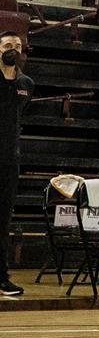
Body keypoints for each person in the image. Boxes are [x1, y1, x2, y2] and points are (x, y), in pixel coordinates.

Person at [0, 27, 33, 297]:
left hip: (10, 160)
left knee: (3, 221)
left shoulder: (26, 84)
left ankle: (2, 277)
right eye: (8, 44)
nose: (13, 49)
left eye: (18, 46)